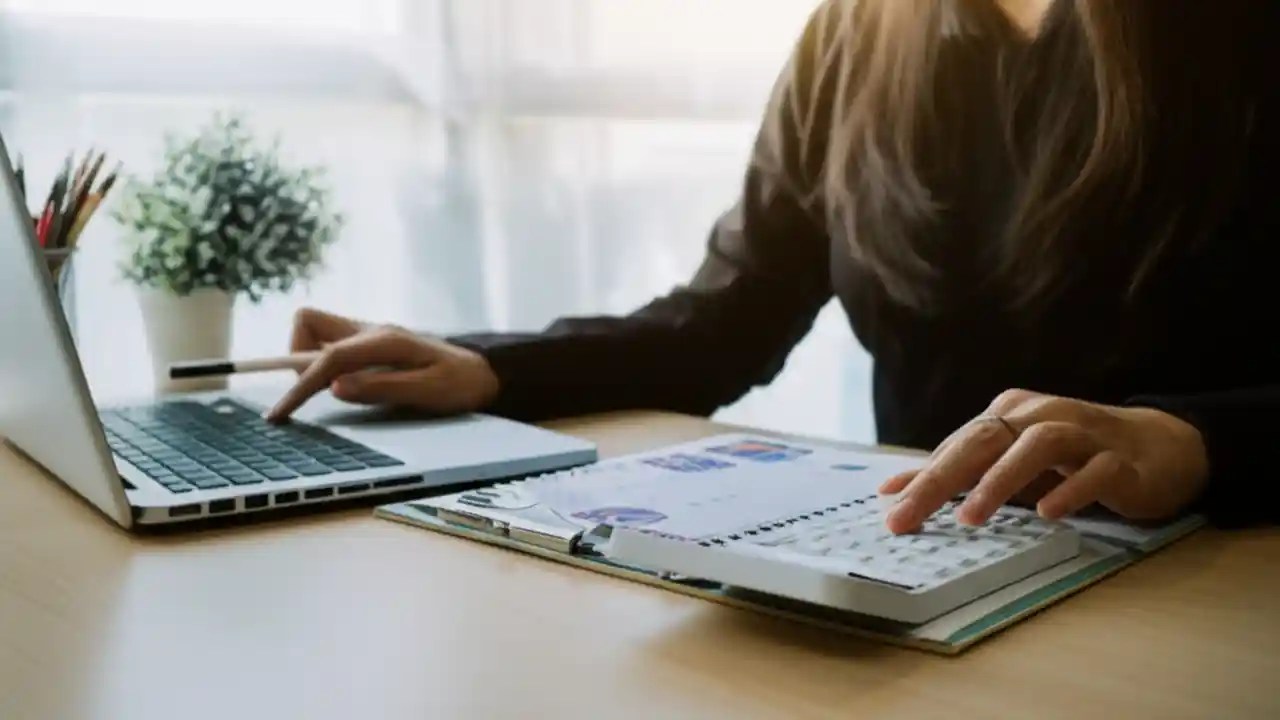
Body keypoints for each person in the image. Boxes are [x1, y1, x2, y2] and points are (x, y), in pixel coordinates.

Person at [267, 0, 1279, 529]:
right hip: (929, 570)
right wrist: (488, 368)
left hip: (1204, 577)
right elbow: (723, 326)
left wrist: (1191, 441)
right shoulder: (854, 34)